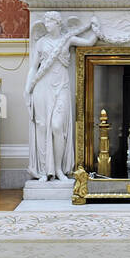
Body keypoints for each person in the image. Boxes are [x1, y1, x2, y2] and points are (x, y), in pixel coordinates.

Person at [25, 13, 100, 185]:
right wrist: (27, 89)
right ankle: (44, 170)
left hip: (61, 87)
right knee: (42, 128)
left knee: (58, 126)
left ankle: (58, 168)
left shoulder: (67, 39)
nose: (46, 24)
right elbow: (33, 68)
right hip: (42, 87)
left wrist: (96, 26)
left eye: (49, 21)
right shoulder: (41, 42)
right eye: (44, 21)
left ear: (57, 23)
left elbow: (89, 42)